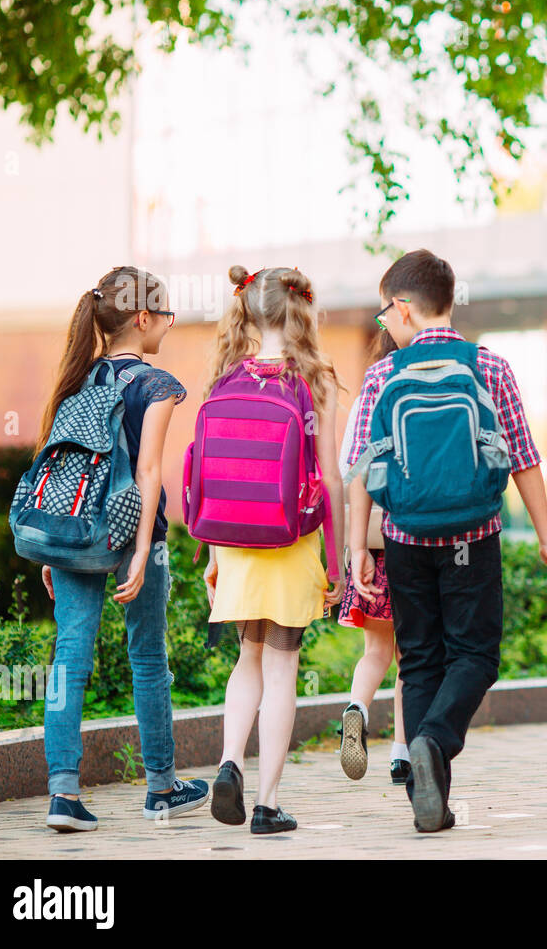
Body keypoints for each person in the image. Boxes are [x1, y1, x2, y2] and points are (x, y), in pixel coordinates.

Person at [346, 249, 547, 832]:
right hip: (474, 536)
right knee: (474, 655)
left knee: (419, 662)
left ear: (401, 307)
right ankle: (436, 744)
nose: (383, 325)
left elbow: (361, 472)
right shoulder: (487, 366)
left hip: (404, 536)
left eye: (383, 315)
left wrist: (355, 552)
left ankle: (433, 802)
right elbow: (524, 459)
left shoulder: (382, 375)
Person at [37, 266, 209, 832]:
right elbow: (149, 471)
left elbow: (62, 463)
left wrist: (50, 549)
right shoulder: (154, 384)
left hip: (73, 536)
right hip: (137, 538)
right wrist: (140, 552)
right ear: (142, 318)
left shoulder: (79, 375)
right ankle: (161, 787)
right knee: (148, 660)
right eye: (166, 314)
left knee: (69, 660)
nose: (171, 323)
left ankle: (63, 796)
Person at [203, 265, 346, 834]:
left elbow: (213, 474)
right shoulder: (317, 378)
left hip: (234, 540)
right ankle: (266, 804)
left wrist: (213, 557)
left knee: (248, 658)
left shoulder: (224, 377)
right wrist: (338, 564)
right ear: (301, 310)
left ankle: (228, 762)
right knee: (285, 666)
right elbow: (331, 479)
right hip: (293, 537)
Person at [337, 327, 408, 785]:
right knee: (413, 656)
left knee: (376, 650)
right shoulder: (433, 377)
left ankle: (357, 706)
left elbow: (349, 464)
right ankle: (402, 752)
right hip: (415, 538)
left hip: (372, 542)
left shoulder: (371, 386)